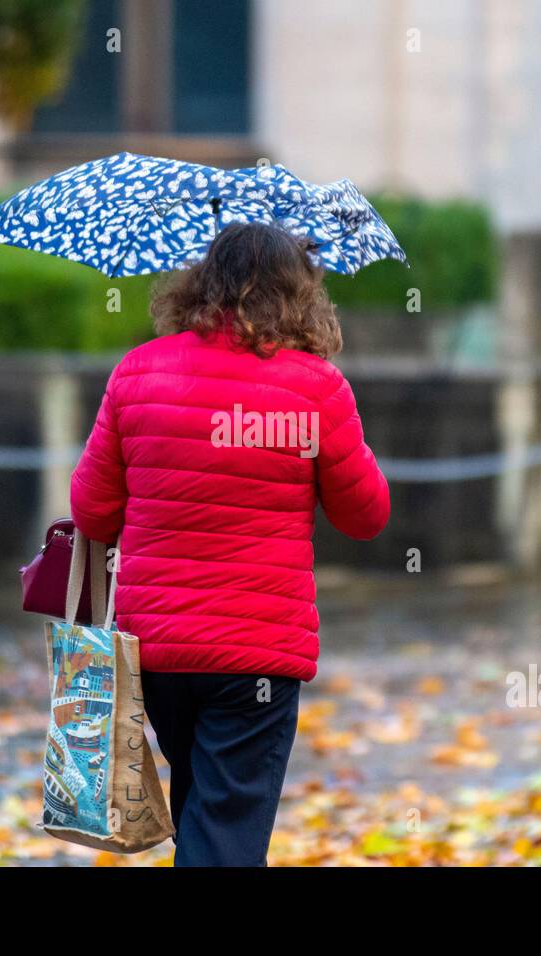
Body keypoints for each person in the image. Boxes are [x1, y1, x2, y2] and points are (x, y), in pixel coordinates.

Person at [70, 221, 390, 866]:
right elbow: (367, 516)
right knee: (225, 827)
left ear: (199, 285)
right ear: (299, 294)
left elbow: (92, 511)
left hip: (157, 654)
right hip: (257, 657)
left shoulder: (137, 373)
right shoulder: (316, 388)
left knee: (210, 816)